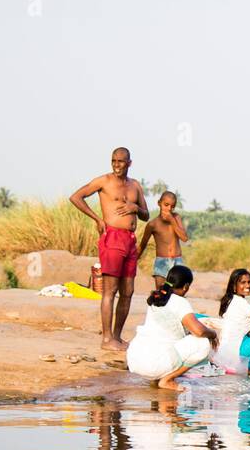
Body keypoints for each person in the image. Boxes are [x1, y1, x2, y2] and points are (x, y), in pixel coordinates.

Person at [69, 148, 149, 351]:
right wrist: (97, 219)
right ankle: (106, 339)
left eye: (121, 161)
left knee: (128, 291)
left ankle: (117, 337)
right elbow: (76, 197)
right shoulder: (103, 181)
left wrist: (135, 208)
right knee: (110, 290)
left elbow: (146, 215)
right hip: (112, 237)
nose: (116, 164)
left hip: (130, 241)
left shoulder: (135, 186)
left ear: (129, 163)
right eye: (113, 160)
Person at [125, 265, 218, 391]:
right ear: (186, 286)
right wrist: (213, 334)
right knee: (203, 343)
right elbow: (199, 331)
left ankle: (158, 378)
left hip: (135, 359)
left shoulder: (157, 298)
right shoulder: (180, 301)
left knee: (167, 342)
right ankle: (167, 380)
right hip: (154, 364)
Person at [138, 191, 190, 287]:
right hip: (161, 262)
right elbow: (143, 244)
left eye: (172, 206)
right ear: (159, 203)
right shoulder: (152, 224)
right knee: (161, 293)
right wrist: (134, 260)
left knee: (177, 291)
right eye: (166, 205)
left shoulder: (176, 217)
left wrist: (172, 221)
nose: (169, 209)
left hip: (177, 261)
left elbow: (184, 238)